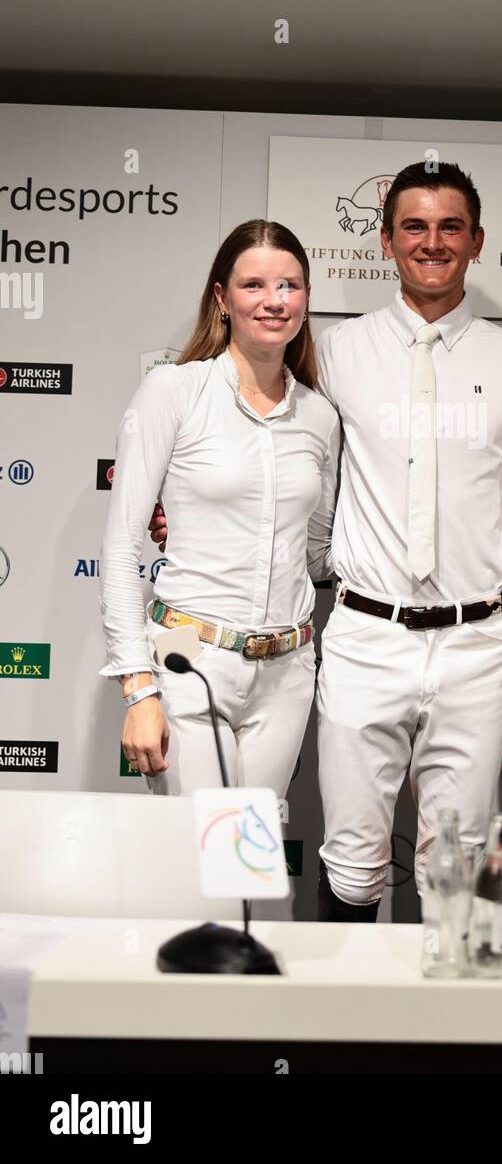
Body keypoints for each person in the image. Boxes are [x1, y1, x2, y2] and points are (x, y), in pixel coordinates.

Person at [314, 160, 502, 919]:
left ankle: (440, 1038)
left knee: (453, 870)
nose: (432, 242)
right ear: (387, 240)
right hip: (363, 635)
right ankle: (345, 1035)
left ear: (476, 240)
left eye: (450, 227)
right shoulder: (332, 353)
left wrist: (475, 510)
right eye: (414, 226)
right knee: (353, 867)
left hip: (473, 647)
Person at [100, 219, 339, 797]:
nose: (273, 300)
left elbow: (319, 554)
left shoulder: (320, 417)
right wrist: (139, 689)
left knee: (243, 870)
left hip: (288, 668)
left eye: (289, 285)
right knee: (195, 865)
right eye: (253, 285)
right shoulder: (174, 392)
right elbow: (121, 545)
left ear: (307, 299)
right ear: (221, 298)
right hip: (186, 653)